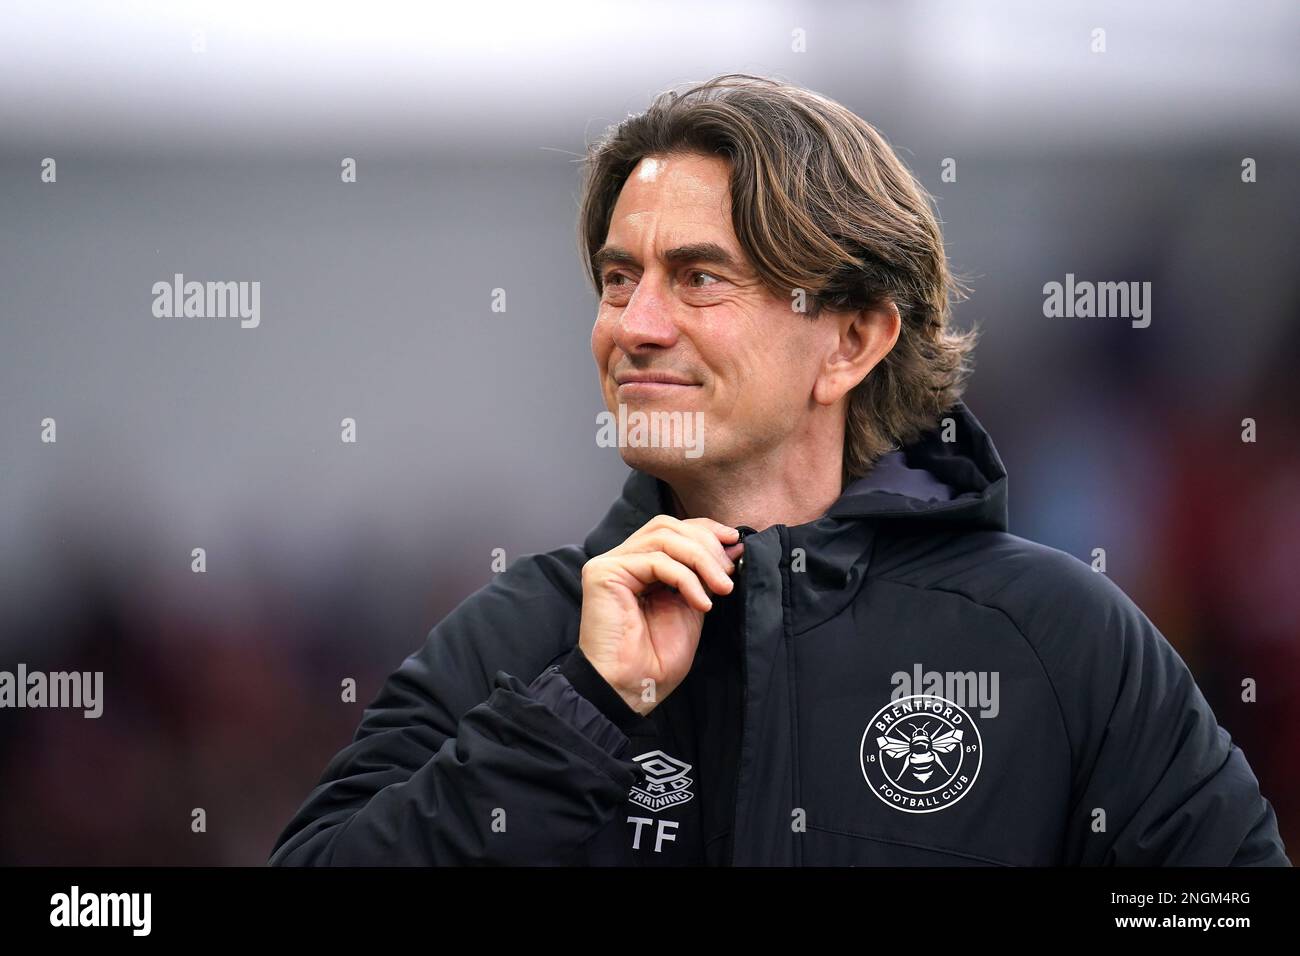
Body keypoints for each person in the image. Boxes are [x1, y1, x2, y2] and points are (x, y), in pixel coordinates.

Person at [269, 74, 1288, 866]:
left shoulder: (1061, 639)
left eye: (698, 277)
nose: (634, 325)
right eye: (618, 278)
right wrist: (578, 709)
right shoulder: (524, 635)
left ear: (850, 339)